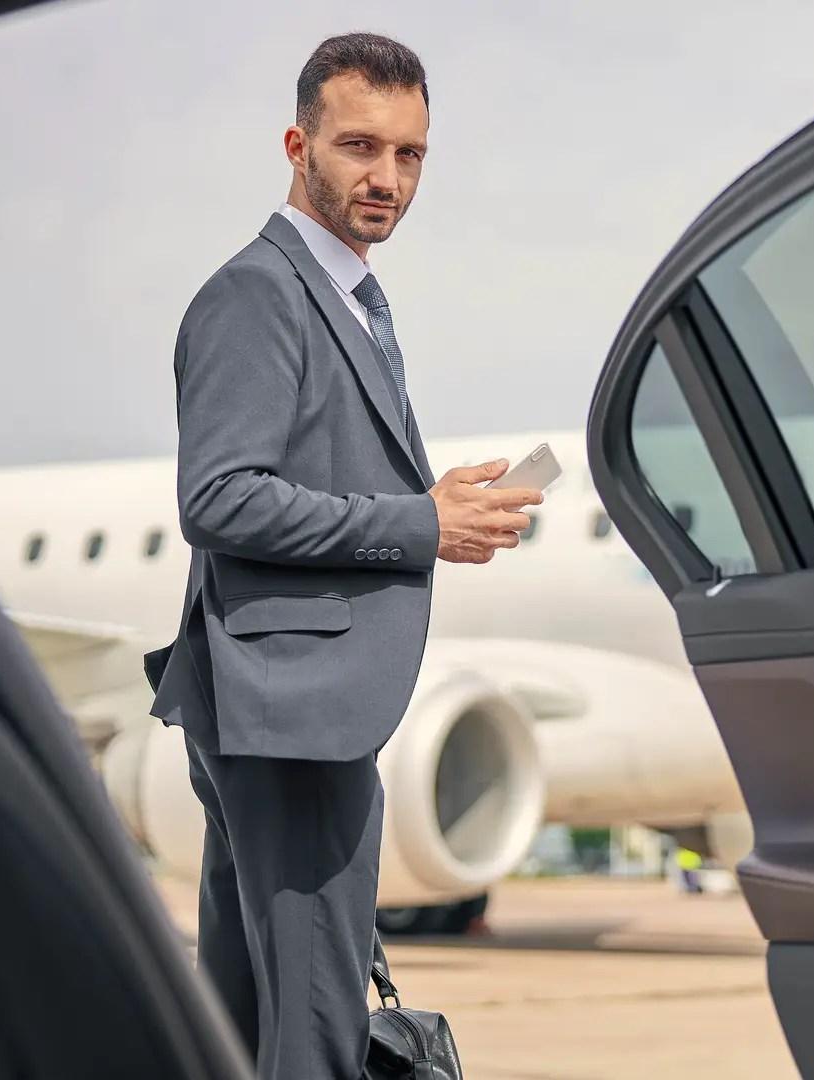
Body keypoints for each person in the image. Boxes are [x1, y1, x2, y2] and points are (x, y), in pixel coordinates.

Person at [140, 33, 540, 1080]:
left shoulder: (350, 299)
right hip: (291, 712)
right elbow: (219, 499)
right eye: (361, 147)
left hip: (286, 705)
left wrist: (441, 511)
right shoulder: (262, 293)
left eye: (410, 155)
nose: (388, 178)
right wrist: (422, 523)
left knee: (243, 1020)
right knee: (315, 1035)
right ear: (297, 143)